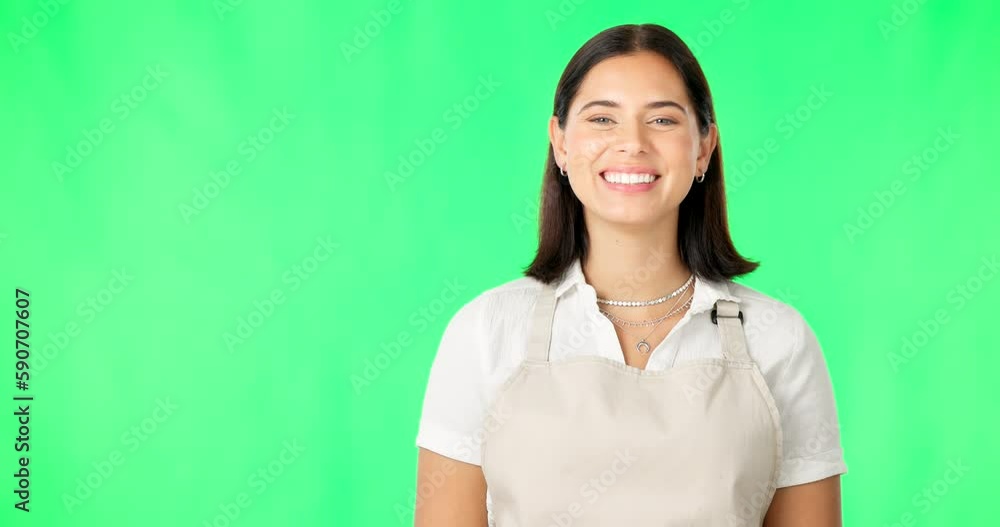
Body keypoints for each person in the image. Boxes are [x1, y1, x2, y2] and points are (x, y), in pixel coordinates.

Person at [413, 23, 847, 526]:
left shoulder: (779, 341)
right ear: (560, 143)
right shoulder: (486, 332)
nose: (631, 144)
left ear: (704, 146)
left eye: (662, 120)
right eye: (602, 119)